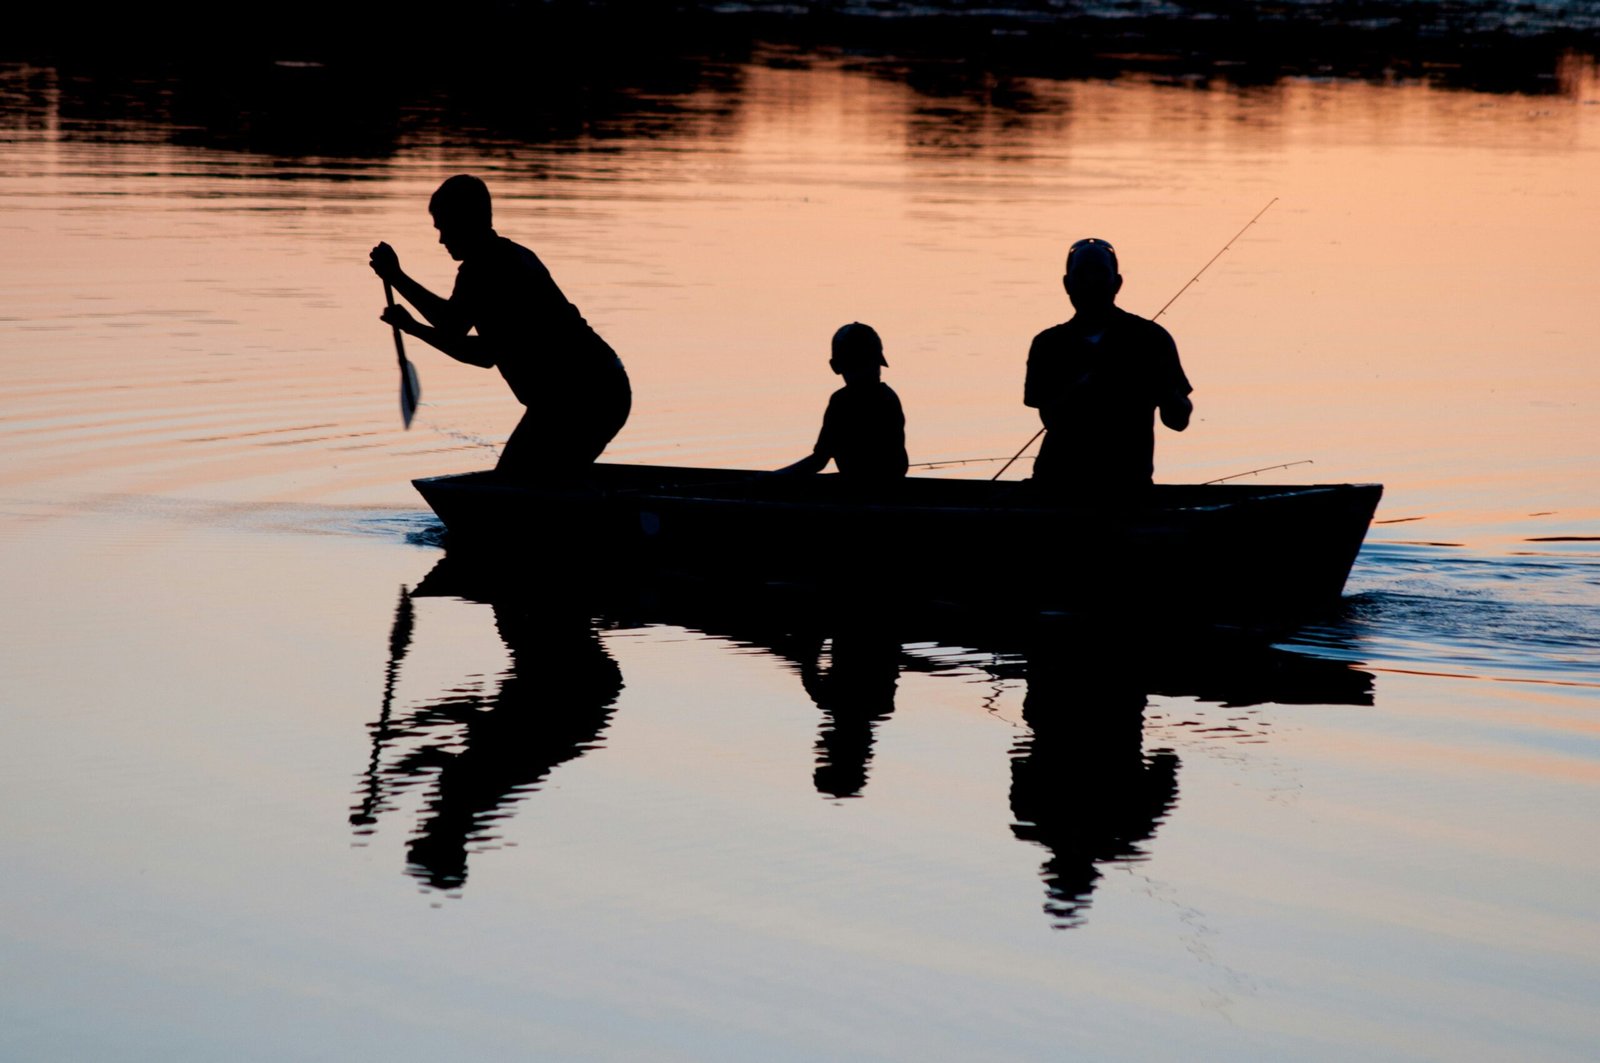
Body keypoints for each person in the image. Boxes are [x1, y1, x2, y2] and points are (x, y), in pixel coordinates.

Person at [369, 174, 630, 479]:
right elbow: (483, 354)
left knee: (519, 484)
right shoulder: (507, 257)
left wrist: (397, 277)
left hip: (580, 397)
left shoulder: (487, 267)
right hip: (591, 393)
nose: (441, 239)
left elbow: (451, 325)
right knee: (529, 482)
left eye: (444, 227)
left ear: (467, 221)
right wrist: (413, 327)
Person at [1023, 238, 1191, 492]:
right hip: (1056, 484)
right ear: (1067, 285)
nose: (1091, 284)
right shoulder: (1048, 344)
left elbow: (1178, 421)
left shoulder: (1151, 338)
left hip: (1128, 486)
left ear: (1117, 283)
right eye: (1082, 276)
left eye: (1100, 275)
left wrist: (1161, 387)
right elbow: (1051, 418)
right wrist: (1084, 387)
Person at [776, 322, 909, 484]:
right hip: (887, 488)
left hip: (863, 491)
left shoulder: (842, 402)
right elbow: (898, 467)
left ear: (836, 367)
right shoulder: (889, 397)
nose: (869, 372)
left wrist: (774, 478)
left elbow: (819, 461)